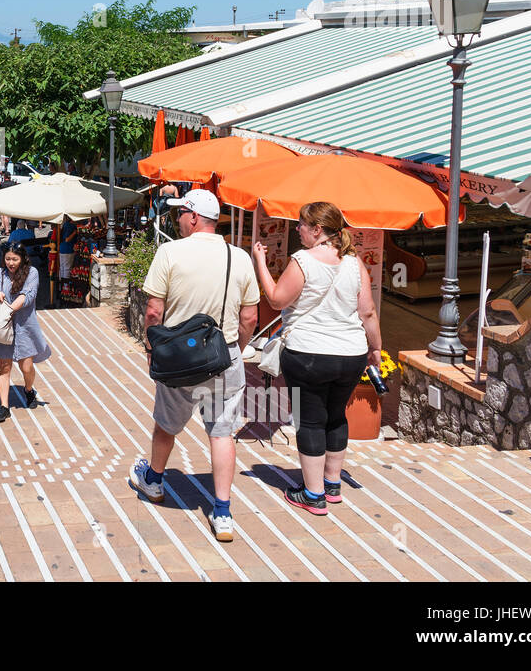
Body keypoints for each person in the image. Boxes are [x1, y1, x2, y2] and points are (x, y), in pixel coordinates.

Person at [129, 189, 259, 543]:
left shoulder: (170, 252)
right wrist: (236, 348)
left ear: (193, 217)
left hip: (179, 359)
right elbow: (249, 316)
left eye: (178, 215)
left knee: (166, 426)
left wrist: (150, 344)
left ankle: (154, 481)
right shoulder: (239, 256)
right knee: (221, 432)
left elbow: (154, 311)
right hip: (224, 356)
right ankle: (222, 512)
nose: (177, 221)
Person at [252, 201, 380, 515]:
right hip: (350, 353)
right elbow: (368, 311)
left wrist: (260, 262)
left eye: (301, 225)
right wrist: (375, 349)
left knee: (310, 420)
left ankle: (313, 493)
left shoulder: (302, 261)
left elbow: (276, 298)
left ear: (317, 230)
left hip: (309, 352)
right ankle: (333, 485)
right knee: (336, 416)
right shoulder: (354, 263)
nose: (297, 229)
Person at [0, 243, 50, 422]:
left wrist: (9, 310)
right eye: (8, 259)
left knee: (26, 366)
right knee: (4, 367)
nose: (11, 263)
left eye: (15, 259)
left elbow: (27, 295)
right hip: (3, 330)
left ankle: (28, 390)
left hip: (24, 327)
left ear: (23, 259)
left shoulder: (32, 273)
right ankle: (4, 407)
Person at [57, 216, 80, 285]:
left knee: (62, 268)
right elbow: (67, 239)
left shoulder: (65, 224)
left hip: (62, 249)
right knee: (67, 268)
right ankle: (65, 286)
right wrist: (74, 233)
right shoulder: (71, 226)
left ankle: (61, 286)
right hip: (68, 249)